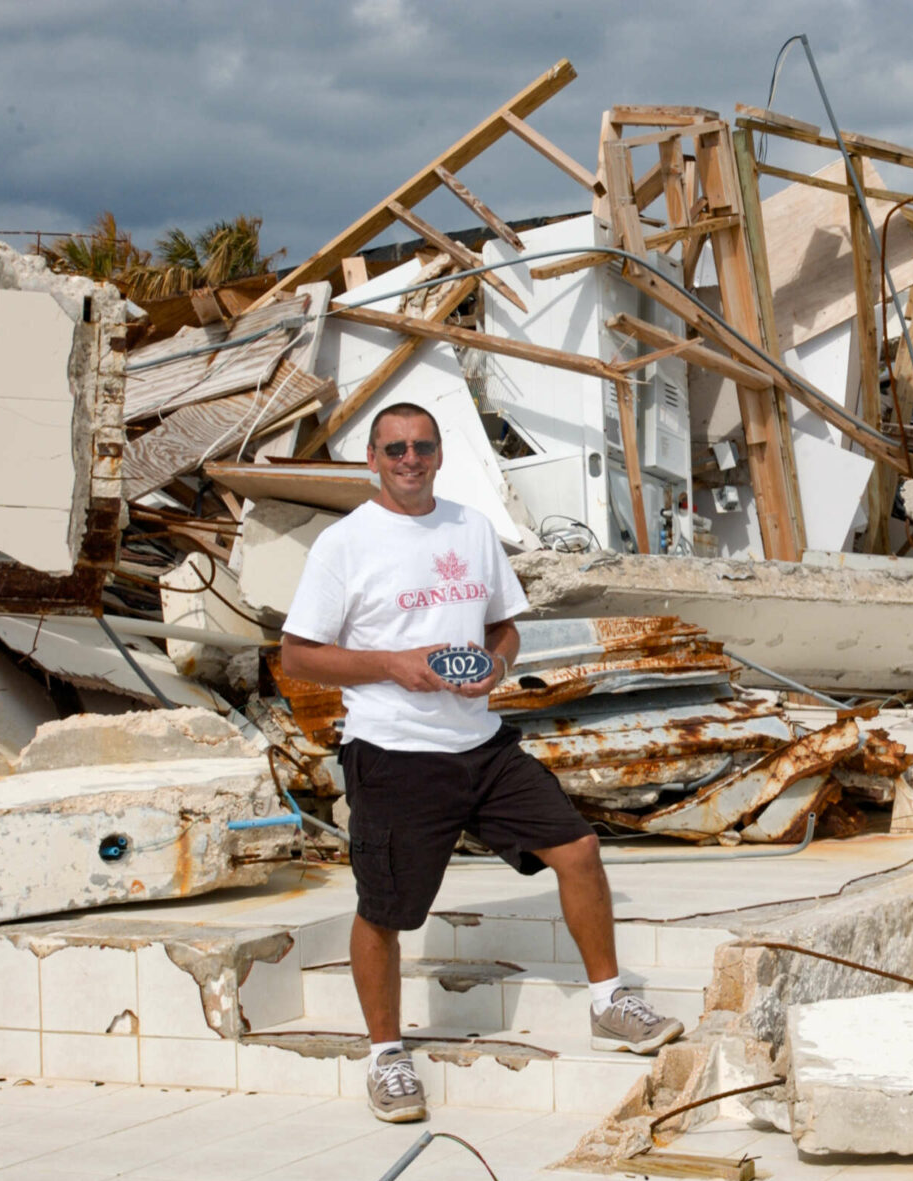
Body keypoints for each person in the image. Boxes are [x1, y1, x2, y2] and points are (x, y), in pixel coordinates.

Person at [281, 401, 682, 1124]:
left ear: (439, 454)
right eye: (395, 448)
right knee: (384, 911)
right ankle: (385, 1056)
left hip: (481, 742)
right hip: (394, 752)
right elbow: (299, 654)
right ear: (371, 458)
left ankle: (608, 1002)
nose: (410, 458)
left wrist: (496, 662)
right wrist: (390, 665)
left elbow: (504, 624)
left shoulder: (469, 526)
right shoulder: (344, 543)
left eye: (422, 446)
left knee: (580, 847)